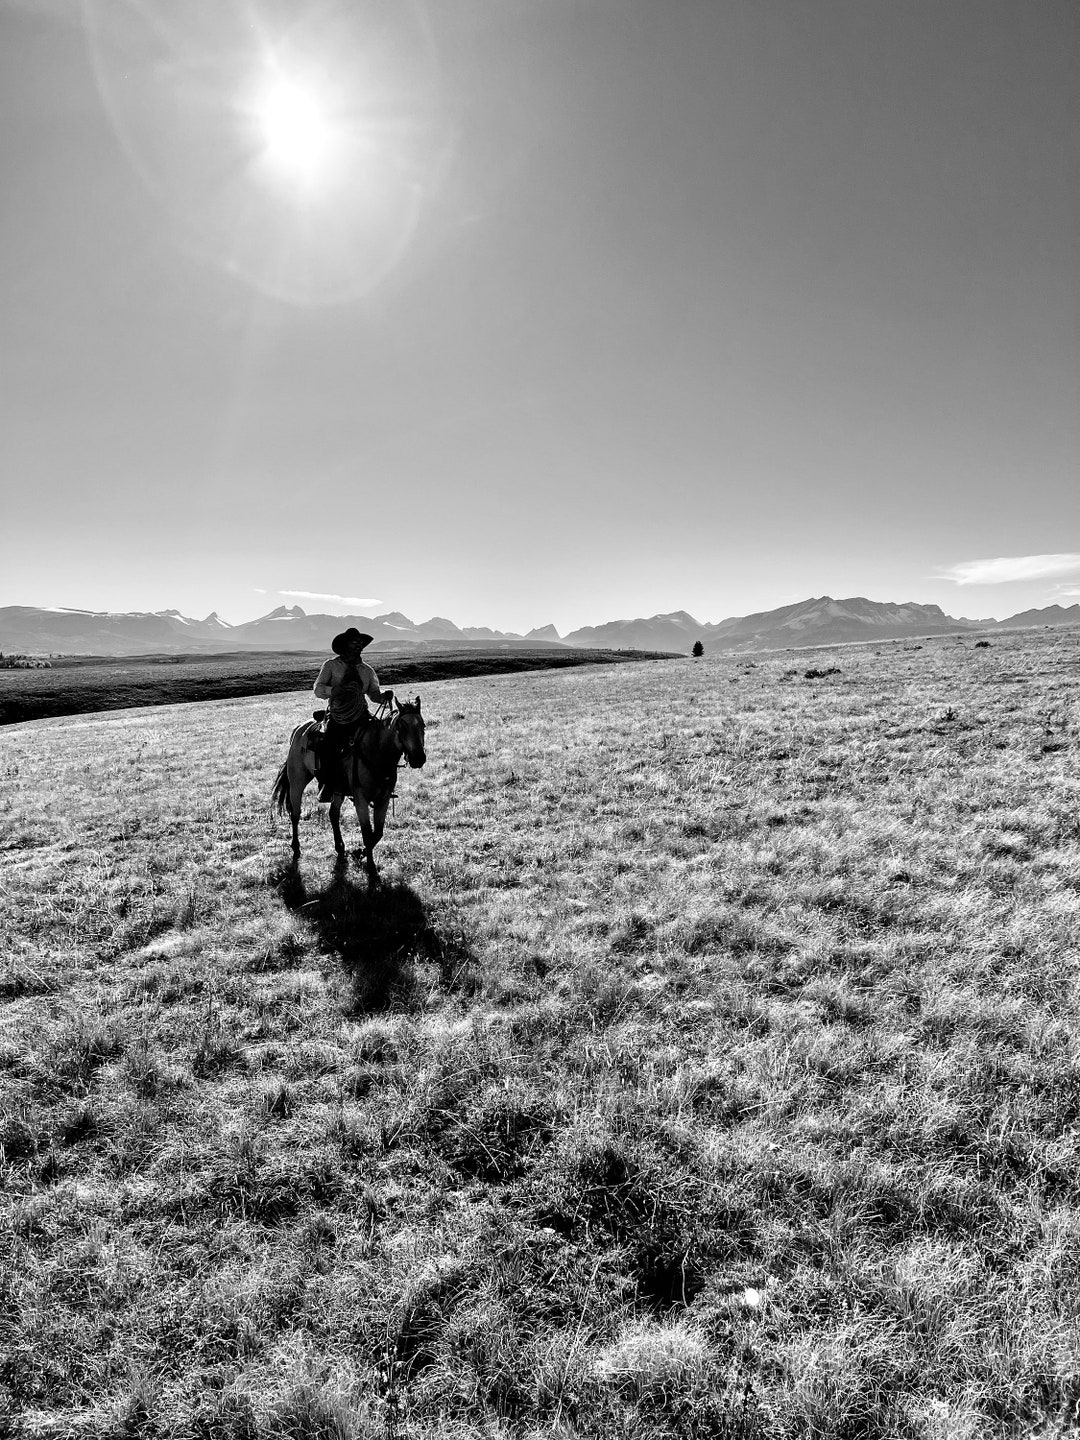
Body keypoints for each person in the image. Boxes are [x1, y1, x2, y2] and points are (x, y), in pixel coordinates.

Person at [312, 628, 394, 800]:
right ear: (344, 645)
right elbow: (318, 689)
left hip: (361, 715)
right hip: (337, 716)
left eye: (360, 642)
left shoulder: (367, 670)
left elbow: (373, 693)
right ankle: (329, 785)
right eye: (354, 641)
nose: (359, 644)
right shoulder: (331, 666)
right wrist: (334, 690)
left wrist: (383, 696)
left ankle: (381, 783)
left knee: (380, 742)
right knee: (328, 746)